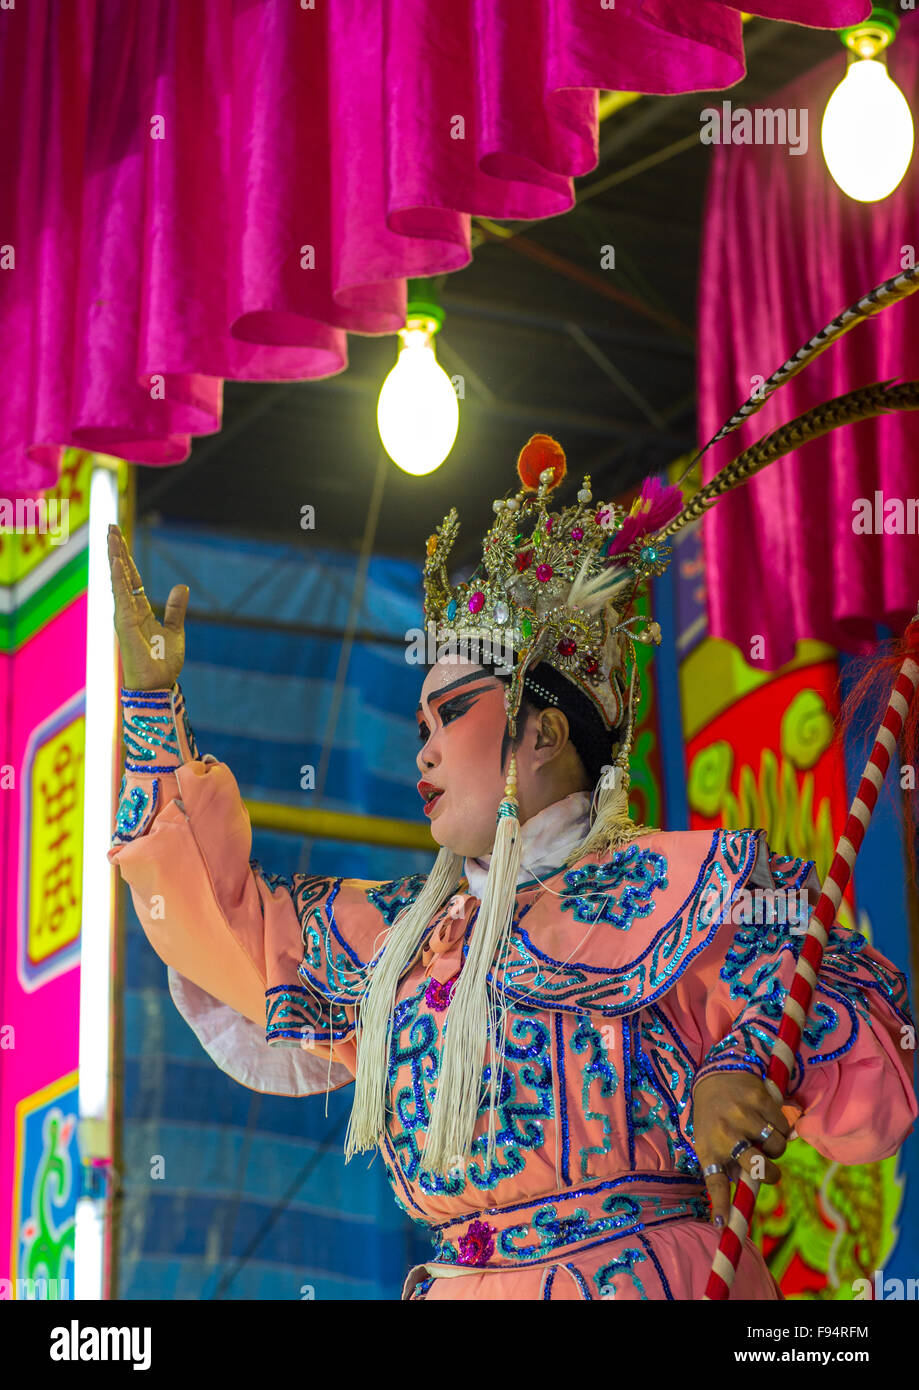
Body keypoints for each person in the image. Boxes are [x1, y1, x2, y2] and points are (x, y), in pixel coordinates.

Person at [107, 433, 917, 1301]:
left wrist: (739, 1065)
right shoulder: (401, 940)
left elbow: (861, 1009)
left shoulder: (680, 892)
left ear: (544, 733)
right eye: (418, 728)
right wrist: (152, 705)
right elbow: (215, 922)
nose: (420, 754)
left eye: (448, 716)